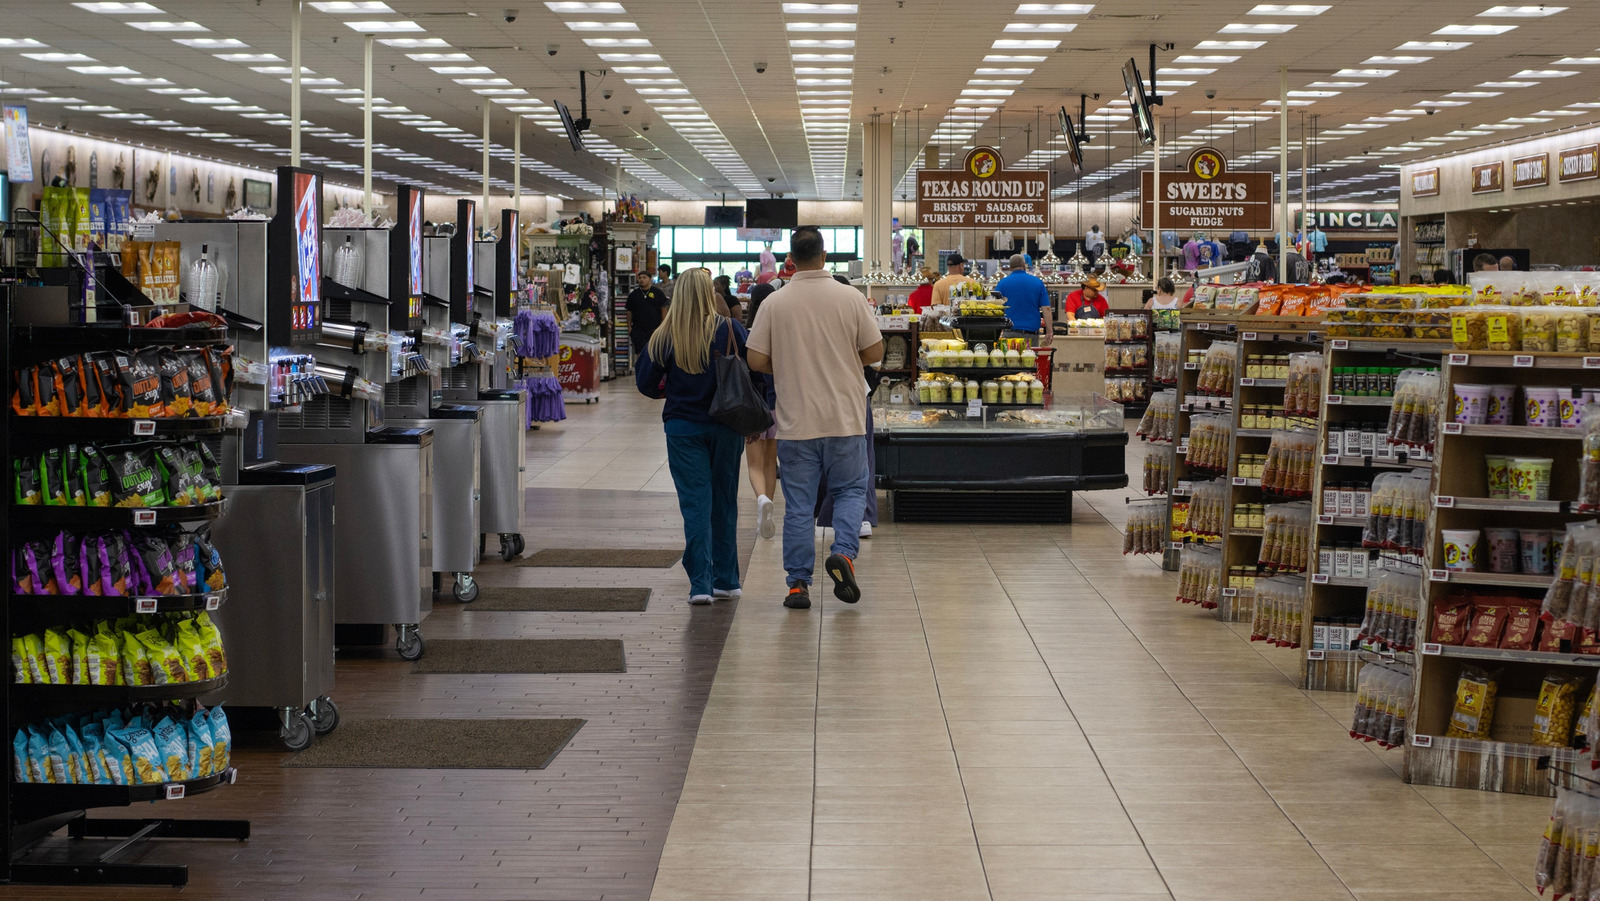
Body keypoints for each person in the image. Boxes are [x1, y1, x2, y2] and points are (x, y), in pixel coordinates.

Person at [747, 226, 884, 610]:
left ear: (790, 260)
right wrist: (843, 359)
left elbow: (755, 359)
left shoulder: (776, 302)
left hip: (796, 423)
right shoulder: (849, 297)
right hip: (845, 418)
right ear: (825, 256)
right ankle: (843, 552)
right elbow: (874, 351)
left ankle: (797, 586)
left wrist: (789, 365)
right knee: (852, 490)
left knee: (800, 506)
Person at [632, 269, 746, 606]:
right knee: (724, 501)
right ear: (710, 294)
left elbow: (645, 383)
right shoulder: (730, 329)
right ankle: (728, 579)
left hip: (683, 428)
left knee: (695, 504)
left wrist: (670, 390)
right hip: (727, 425)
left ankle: (700, 585)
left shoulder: (665, 335)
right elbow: (753, 372)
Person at [743, 282, 779, 539]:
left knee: (754, 463)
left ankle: (762, 500)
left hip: (751, 407)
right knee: (770, 461)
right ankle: (771, 508)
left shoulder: (744, 333)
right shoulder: (779, 332)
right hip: (776, 405)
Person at [996, 253, 1053, 344]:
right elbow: (1046, 308)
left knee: (1010, 358)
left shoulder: (1002, 284)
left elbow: (995, 308)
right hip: (1031, 334)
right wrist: (1049, 331)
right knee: (1029, 358)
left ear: (1010, 268)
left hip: (1009, 333)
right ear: (1024, 266)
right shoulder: (1037, 283)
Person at [625, 271, 668, 364]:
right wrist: (629, 327)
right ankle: (641, 371)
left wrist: (663, 324)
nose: (641, 280)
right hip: (638, 329)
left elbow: (663, 308)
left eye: (644, 277)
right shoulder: (634, 295)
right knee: (640, 352)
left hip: (654, 328)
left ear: (650, 279)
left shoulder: (657, 293)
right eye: (640, 278)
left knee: (654, 352)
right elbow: (629, 311)